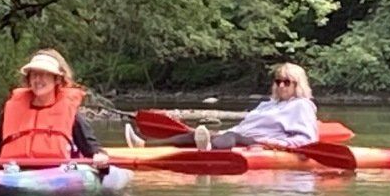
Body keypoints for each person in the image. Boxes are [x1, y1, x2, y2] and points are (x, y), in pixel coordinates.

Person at [0, 49, 108, 167]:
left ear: (57, 79)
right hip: (14, 172)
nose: (38, 79)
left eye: (44, 74)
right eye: (34, 74)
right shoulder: (13, 109)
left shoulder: (71, 114)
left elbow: (92, 150)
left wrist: (100, 159)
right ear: (28, 78)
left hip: (55, 174)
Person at [126, 62, 319, 150]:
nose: (281, 86)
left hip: (264, 143)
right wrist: (220, 133)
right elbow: (242, 128)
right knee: (200, 134)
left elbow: (307, 140)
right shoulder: (268, 105)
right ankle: (143, 144)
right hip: (241, 137)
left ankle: (209, 149)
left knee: (232, 136)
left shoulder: (301, 106)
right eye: (278, 82)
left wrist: (276, 145)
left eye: (287, 82)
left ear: (297, 84)